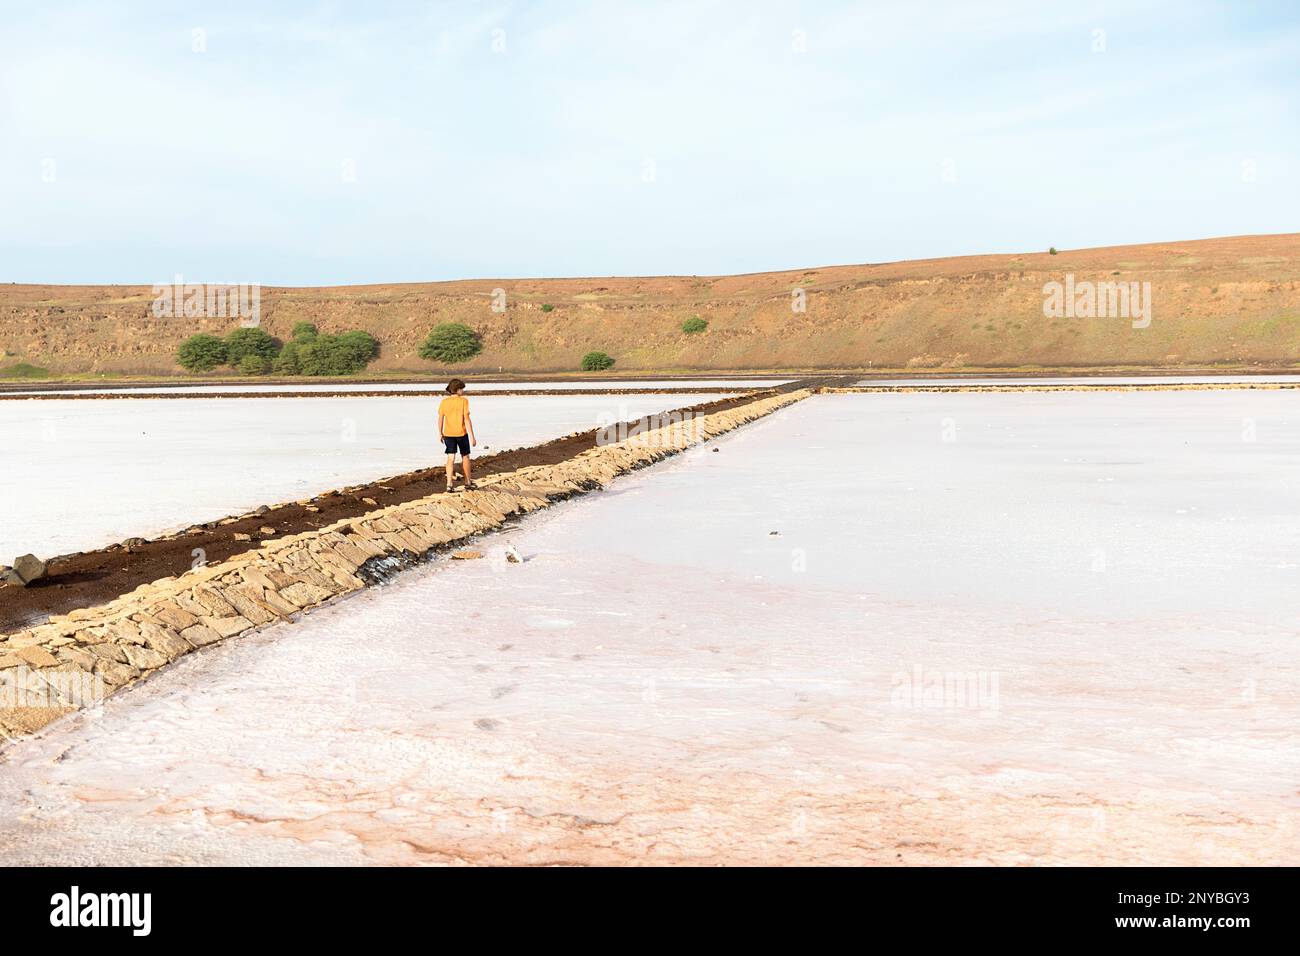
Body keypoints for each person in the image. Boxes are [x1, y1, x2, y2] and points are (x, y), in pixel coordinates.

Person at [437, 378, 476, 492]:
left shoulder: (444, 402)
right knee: (465, 456)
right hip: (461, 433)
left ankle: (449, 484)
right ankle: (468, 482)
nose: (463, 391)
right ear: (458, 389)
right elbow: (467, 419)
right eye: (462, 389)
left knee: (450, 457)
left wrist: (440, 433)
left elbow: (440, 419)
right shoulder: (464, 401)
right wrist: (472, 436)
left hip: (448, 434)